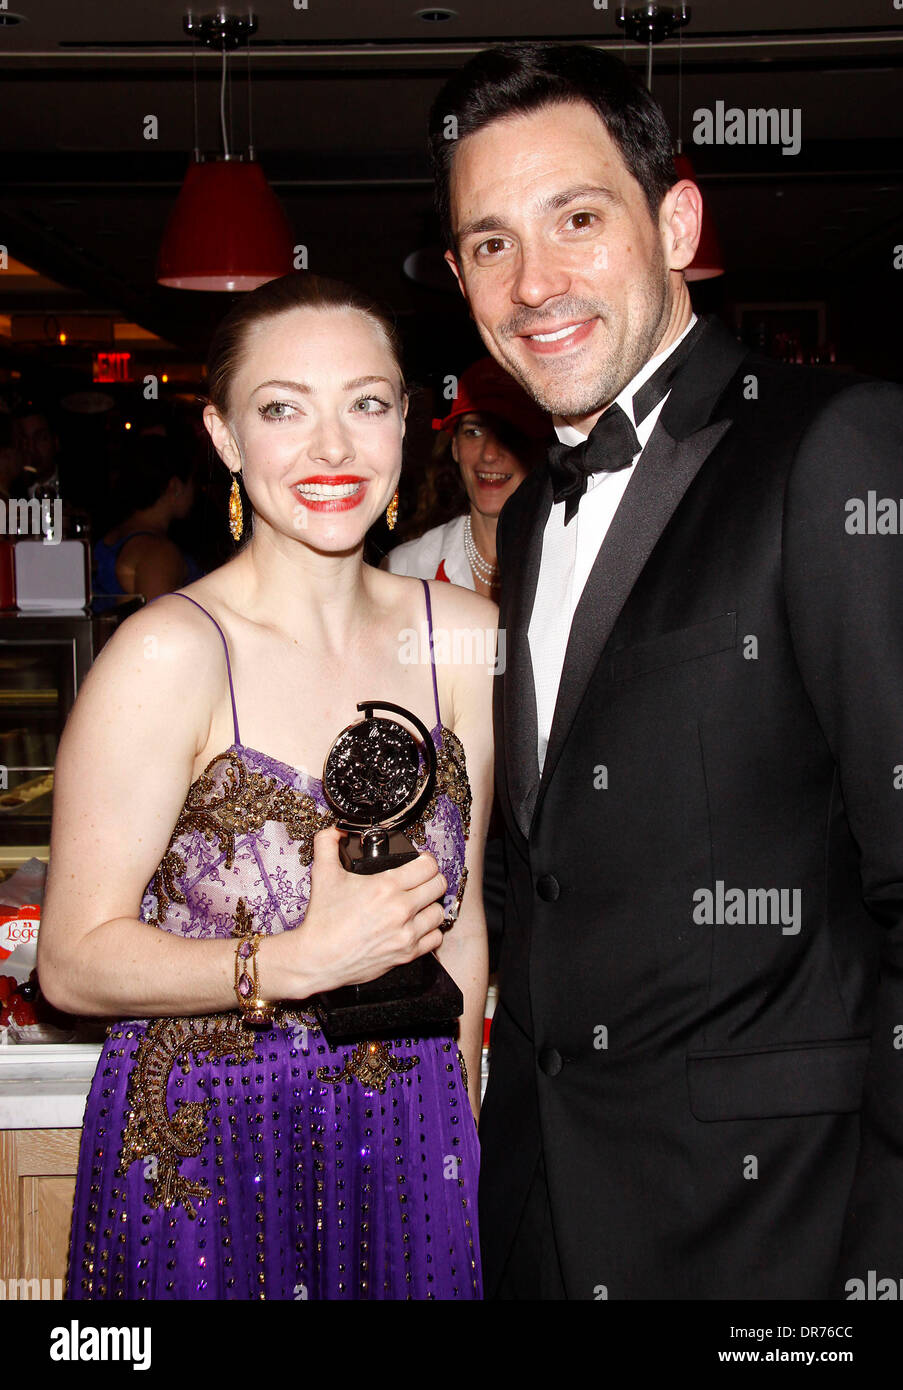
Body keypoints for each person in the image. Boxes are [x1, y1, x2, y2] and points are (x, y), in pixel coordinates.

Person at [428, 41, 903, 1300]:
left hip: (778, 1231)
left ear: (676, 220)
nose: (534, 283)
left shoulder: (835, 445)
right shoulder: (530, 520)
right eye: (489, 243)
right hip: (543, 1204)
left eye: (577, 219)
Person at [38, 272, 493, 1300]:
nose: (333, 451)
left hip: (411, 1134)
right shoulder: (167, 653)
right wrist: (294, 960)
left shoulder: (463, 636)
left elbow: (457, 930)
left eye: (365, 403)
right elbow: (70, 963)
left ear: (407, 425)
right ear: (226, 437)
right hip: (209, 1146)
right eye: (284, 409)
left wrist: (453, 1137)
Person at [383, 357, 548, 597]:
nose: (489, 454)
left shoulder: (573, 562)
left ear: (540, 447)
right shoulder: (406, 569)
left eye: (509, 433)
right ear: (455, 447)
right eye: (474, 431)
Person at [94, 432, 203, 602]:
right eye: (192, 482)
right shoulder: (157, 552)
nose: (195, 491)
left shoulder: (113, 536)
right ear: (175, 486)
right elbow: (161, 623)